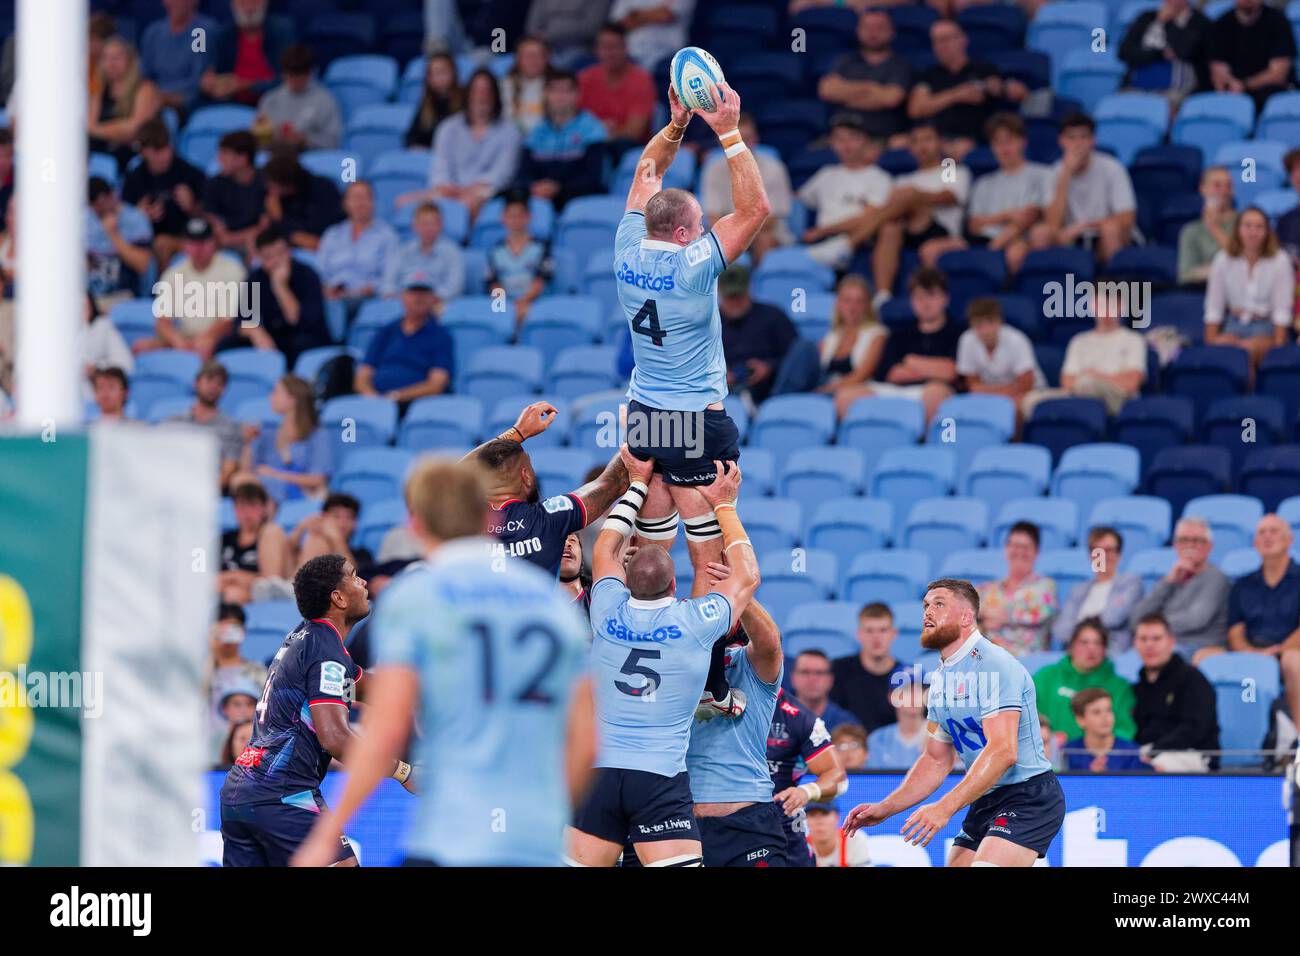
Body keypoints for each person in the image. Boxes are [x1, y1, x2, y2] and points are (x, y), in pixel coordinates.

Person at [291, 460, 592, 867]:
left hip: (452, 834)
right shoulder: (553, 606)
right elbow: (586, 739)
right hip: (534, 837)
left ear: (415, 524)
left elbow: (387, 729)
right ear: (485, 517)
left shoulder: (417, 597)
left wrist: (324, 836)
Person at [611, 78, 770, 718]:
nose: (710, 229)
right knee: (710, 559)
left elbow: (647, 169)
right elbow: (754, 209)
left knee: (648, 551)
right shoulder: (692, 266)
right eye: (701, 226)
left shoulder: (627, 248)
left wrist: (676, 125)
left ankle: (632, 666)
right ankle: (705, 686)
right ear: (684, 236)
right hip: (698, 421)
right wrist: (727, 130)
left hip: (647, 417)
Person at [565, 450, 757, 866]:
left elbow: (607, 545)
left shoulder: (605, 606)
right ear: (675, 586)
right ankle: (716, 696)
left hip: (598, 776)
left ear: (623, 578)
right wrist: (724, 503)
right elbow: (746, 576)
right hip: (658, 780)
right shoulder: (694, 620)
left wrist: (635, 484)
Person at [844, 578, 1066, 867]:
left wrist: (944, 807)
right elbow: (936, 760)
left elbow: (1003, 751)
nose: (927, 612)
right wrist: (887, 808)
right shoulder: (939, 680)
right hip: (986, 798)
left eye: (939, 604)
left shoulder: (994, 664)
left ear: (966, 617)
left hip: (1028, 796)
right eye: (925, 605)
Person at [222, 553, 412, 866]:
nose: (363, 583)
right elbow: (335, 737)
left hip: (240, 791)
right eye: (353, 576)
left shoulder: (306, 637)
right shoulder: (326, 650)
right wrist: (403, 772)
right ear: (337, 597)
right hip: (284, 792)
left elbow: (366, 687)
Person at [684, 562, 789, 868]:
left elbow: (770, 644)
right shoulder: (678, 665)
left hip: (748, 826)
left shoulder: (751, 664)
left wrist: (739, 591)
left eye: (725, 608)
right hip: (683, 828)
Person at [465, 400, 632, 578]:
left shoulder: (463, 519)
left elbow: (459, 472)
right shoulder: (549, 517)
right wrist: (635, 437)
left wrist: (518, 432)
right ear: (526, 476)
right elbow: (616, 480)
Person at [845, 123, 972, 305]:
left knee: (907, 195)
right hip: (907, 230)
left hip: (939, 230)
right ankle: (883, 296)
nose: (922, 146)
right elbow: (889, 211)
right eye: (916, 142)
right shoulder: (904, 178)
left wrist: (914, 196)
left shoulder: (950, 168)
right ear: (910, 148)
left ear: (940, 143)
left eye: (927, 140)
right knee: (889, 228)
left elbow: (949, 196)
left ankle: (848, 243)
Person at [833, 267, 961, 422]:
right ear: (911, 301)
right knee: (846, 396)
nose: (926, 303)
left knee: (935, 393)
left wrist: (910, 361)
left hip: (929, 391)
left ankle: (927, 444)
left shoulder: (959, 333)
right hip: (893, 390)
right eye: (919, 297)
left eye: (931, 296)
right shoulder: (899, 334)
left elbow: (950, 372)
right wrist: (931, 369)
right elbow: (891, 373)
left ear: (945, 298)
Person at [929, 113, 1049, 275]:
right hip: (982, 240)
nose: (1004, 148)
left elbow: (1027, 217)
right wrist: (1007, 215)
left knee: (1016, 251)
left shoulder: (1040, 174)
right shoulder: (983, 183)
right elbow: (974, 225)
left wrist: (993, 247)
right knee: (931, 249)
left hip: (1018, 239)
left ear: (1022, 142)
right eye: (998, 142)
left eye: (1009, 141)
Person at [1212, 515, 1300, 725]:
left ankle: (1298, 736)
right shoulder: (1243, 585)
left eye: (1273, 531)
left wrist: (1277, 653)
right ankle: (1242, 733)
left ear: (1289, 540)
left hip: (1289, 652)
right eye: (1261, 532)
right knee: (1206, 658)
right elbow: (1235, 630)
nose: (1267, 536)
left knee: (1293, 661)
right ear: (1254, 543)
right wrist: (1254, 654)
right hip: (1251, 653)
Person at [403, 70, 521, 220]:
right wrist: (446, 186)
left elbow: (503, 173)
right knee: (404, 203)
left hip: (488, 191)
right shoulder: (448, 127)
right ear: (468, 95)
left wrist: (472, 189)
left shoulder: (510, 132)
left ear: (495, 96)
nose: (482, 97)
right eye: (477, 91)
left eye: (487, 91)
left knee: (469, 203)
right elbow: (440, 165)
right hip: (450, 189)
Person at [907, 20, 1027, 161]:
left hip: (977, 139)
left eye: (946, 39)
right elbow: (916, 109)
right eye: (936, 41)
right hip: (939, 142)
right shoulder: (929, 75)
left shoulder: (983, 69)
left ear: (963, 40)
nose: (941, 46)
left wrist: (1002, 88)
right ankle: (948, 180)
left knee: (959, 159)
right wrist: (957, 95)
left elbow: (1021, 93)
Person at [1030, 114, 1137, 262]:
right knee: (1040, 232)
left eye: (1083, 137)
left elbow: (1127, 218)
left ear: (1093, 141)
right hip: (1069, 238)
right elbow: (1052, 223)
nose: (1077, 144)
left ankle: (1113, 283)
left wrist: (1084, 225)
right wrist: (1065, 174)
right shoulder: (1054, 172)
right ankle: (1044, 282)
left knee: (1110, 229)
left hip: (1103, 234)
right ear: (1061, 141)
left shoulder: (1113, 167)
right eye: (1071, 138)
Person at [140, 217, 248, 358]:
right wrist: (177, 340)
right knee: (142, 347)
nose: (198, 248)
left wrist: (204, 339)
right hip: (185, 337)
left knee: (204, 348)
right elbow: (162, 321)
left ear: (213, 243)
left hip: (219, 338)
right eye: (193, 242)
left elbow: (228, 320)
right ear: (185, 245)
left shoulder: (232, 270)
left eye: (203, 242)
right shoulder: (174, 272)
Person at [1024, 296, 1148, 417]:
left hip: (1118, 399)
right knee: (1032, 399)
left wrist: (1095, 376)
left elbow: (1131, 383)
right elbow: (1067, 382)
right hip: (1078, 394)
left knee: (1087, 383)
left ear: (1121, 307)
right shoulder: (1079, 341)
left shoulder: (1133, 340)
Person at [796, 113, 891, 271]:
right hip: (820, 244)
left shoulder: (880, 178)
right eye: (839, 139)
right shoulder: (826, 174)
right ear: (832, 143)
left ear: (865, 140)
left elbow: (871, 216)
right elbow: (798, 200)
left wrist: (822, 231)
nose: (846, 144)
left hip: (857, 247)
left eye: (853, 138)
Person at [1204, 206, 1294, 367]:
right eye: (1247, 226)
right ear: (1238, 230)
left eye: (1259, 227)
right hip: (1233, 324)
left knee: (1244, 352)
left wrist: (1280, 345)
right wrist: (1211, 340)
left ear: (1267, 232)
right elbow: (1214, 305)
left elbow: (1282, 309)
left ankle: (1250, 392)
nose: (1253, 232)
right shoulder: (1223, 259)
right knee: (1220, 351)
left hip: (1266, 326)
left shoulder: (1281, 260)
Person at [767, 686, 847, 867]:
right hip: (715, 822)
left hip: (781, 826)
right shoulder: (707, 701)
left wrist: (806, 792)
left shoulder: (801, 718)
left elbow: (839, 778)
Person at [1130, 516, 1231, 659]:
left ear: (1209, 547)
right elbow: (1136, 619)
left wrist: (1152, 628)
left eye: (1197, 540)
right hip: (1165, 643)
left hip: (1196, 648)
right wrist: (1168, 582)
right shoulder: (1170, 577)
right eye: (1184, 540)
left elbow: (1196, 619)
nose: (1190, 545)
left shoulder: (1216, 578)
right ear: (1175, 545)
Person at [699, 114, 794, 262]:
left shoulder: (774, 168)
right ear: (722, 141)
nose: (740, 146)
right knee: (716, 243)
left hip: (766, 231)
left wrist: (741, 233)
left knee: (764, 239)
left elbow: (772, 219)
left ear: (756, 139)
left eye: (746, 140)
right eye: (734, 140)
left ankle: (763, 282)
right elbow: (713, 218)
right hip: (729, 232)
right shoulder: (713, 170)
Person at [1132, 613, 1220, 772]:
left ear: (1171, 642)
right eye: (1143, 639)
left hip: (1192, 753)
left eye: (1157, 638)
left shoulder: (1193, 679)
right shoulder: (1138, 687)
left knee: (1154, 768)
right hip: (1148, 751)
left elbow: (1195, 729)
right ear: (1135, 644)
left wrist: (1154, 751)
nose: (1149, 645)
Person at [353, 272, 454, 405]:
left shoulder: (441, 336)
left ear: (433, 298)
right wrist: (373, 397)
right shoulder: (386, 331)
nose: (418, 298)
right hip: (375, 401)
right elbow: (363, 376)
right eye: (413, 292)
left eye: (424, 292)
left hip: (414, 405)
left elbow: (436, 384)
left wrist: (396, 397)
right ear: (402, 296)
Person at [235, 226, 330, 366]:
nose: (277, 261)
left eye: (280, 253)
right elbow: (243, 321)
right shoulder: (255, 278)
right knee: (229, 345)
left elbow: (297, 320)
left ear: (289, 252)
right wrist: (256, 332)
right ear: (260, 258)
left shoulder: (307, 275)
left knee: (299, 345)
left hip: (305, 337)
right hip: (272, 336)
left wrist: (280, 286)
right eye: (269, 257)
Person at [817, 8, 913, 145]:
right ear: (858, 30)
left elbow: (891, 98)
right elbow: (826, 90)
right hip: (839, 138)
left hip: (880, 138)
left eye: (879, 28)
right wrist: (870, 89)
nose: (872, 33)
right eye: (867, 27)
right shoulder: (845, 61)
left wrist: (846, 95)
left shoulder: (900, 65)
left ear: (892, 32)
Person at [120, 118, 206, 269]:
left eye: (167, 148)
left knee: (162, 244)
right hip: (146, 240)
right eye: (157, 151)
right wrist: (139, 216)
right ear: (144, 152)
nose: (165, 155)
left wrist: (191, 207)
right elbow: (124, 220)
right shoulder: (134, 178)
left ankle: (161, 291)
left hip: (187, 237)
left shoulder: (191, 174)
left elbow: (210, 218)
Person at [516, 70, 607, 211]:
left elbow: (592, 178)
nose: (560, 97)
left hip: (579, 202)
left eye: (566, 91)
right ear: (545, 94)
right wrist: (533, 186)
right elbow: (523, 174)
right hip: (540, 201)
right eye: (555, 91)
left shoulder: (592, 129)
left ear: (577, 95)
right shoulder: (536, 132)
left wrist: (558, 188)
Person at [1033, 617, 1138, 739]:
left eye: (1097, 643)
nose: (1091, 649)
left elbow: (1125, 731)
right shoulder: (1046, 677)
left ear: (1105, 650)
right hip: (1048, 754)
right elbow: (1025, 718)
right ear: (1071, 647)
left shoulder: (1119, 687)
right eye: (1084, 642)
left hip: (1100, 755)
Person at [235, 374, 332, 504]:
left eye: (276, 392)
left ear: (293, 399)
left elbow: (318, 480)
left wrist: (275, 474)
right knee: (240, 480)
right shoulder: (267, 432)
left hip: (302, 495)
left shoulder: (317, 434)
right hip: (268, 493)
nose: (271, 397)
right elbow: (247, 472)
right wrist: (248, 442)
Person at [716, 263, 799, 405]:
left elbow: (796, 358)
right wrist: (719, 375)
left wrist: (768, 367)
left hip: (772, 388)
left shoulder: (773, 316)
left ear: (749, 289)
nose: (735, 302)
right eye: (730, 297)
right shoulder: (707, 324)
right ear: (719, 292)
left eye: (739, 296)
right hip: (724, 391)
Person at [317, 181, 399, 325]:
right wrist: (326, 289)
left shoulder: (387, 235)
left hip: (366, 297)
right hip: (333, 296)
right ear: (345, 203)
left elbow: (390, 277)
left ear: (373, 202)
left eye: (365, 197)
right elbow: (320, 271)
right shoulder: (332, 234)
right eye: (355, 198)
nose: (360, 203)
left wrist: (371, 288)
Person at [1052, 526, 1144, 651]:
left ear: (1119, 554)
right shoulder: (1078, 589)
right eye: (1098, 551)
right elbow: (1060, 631)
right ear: (1091, 556)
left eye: (1109, 550)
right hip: (1074, 654)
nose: (1103, 556)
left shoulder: (1130, 583)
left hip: (1110, 652)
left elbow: (1113, 618)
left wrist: (1080, 631)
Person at [977, 521, 1057, 657]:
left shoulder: (1045, 586)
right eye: (1014, 546)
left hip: (1026, 663)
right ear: (1006, 548)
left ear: (1036, 552)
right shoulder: (990, 588)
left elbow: (1038, 613)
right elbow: (966, 605)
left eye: (1025, 547)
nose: (1019, 551)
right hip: (986, 660)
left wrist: (1003, 615)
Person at [830, 602, 911, 734]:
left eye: (883, 630)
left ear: (894, 634)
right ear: (858, 634)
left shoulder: (908, 677)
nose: (876, 638)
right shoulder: (838, 671)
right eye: (869, 631)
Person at [200, 0, 295, 107]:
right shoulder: (224, 34)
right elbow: (215, 74)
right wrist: (210, 83)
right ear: (233, 4)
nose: (249, 9)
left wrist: (246, 86)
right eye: (243, 3)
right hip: (232, 105)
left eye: (254, 2)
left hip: (274, 104)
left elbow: (290, 78)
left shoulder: (282, 31)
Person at [88, 37, 163, 171]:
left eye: (116, 58)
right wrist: (113, 131)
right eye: (106, 58)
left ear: (130, 60)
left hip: (132, 151)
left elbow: (136, 128)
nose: (111, 63)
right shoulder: (99, 90)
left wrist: (99, 131)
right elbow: (90, 125)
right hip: (101, 147)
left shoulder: (145, 89)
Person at [1207, 0, 1296, 113]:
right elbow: (1218, 69)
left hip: (1268, 91)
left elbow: (1278, 74)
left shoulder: (1278, 21)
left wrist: (1245, 84)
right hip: (1233, 91)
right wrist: (1231, 83)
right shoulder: (1221, 24)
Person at [166, 359, 244, 488]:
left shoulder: (231, 426)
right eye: (209, 380)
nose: (214, 386)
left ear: (224, 390)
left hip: (211, 489)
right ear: (196, 383)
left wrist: (204, 493)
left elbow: (228, 468)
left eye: (220, 383)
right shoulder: (175, 422)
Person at [956, 297, 1044, 410]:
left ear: (1000, 321)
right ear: (971, 324)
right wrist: (996, 394)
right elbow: (972, 385)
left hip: (1030, 392)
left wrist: (990, 394)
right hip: (991, 395)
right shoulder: (966, 340)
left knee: (1014, 406)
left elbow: (1026, 385)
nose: (985, 330)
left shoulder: (1017, 340)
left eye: (990, 322)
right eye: (978, 324)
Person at [813, 274, 889, 404]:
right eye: (847, 301)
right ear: (838, 304)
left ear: (867, 305)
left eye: (859, 302)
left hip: (850, 391)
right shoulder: (831, 336)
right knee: (804, 349)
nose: (852, 307)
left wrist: (825, 390)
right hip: (826, 387)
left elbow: (861, 376)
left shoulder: (877, 334)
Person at [578, 23, 656, 148]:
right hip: (590, 145)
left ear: (626, 48)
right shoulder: (585, 78)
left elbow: (634, 132)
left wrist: (600, 132)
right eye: (604, 47)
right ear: (596, 50)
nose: (609, 53)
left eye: (614, 47)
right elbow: (571, 123)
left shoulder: (641, 80)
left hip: (629, 149)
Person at [254, 44, 343, 152]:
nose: (295, 82)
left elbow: (334, 141)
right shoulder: (270, 100)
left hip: (309, 157)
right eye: (291, 76)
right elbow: (259, 140)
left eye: (299, 77)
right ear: (283, 74)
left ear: (310, 74)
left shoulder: (325, 101)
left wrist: (306, 140)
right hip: (275, 158)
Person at [1118, 0, 1210, 103]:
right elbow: (1124, 52)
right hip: (1138, 83)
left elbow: (1181, 51)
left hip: (1177, 87)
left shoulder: (1200, 22)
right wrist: (1159, 54)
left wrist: (1167, 22)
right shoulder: (1146, 18)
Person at [217, 480, 292, 605]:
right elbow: (204, 575)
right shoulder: (223, 539)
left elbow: (271, 583)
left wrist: (234, 576)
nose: (247, 512)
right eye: (242, 506)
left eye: (252, 505)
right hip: (224, 594)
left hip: (259, 598)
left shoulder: (271, 535)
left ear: (264, 508)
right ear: (234, 509)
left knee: (234, 593)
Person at [140, 0, 218, 115]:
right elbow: (146, 75)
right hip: (154, 99)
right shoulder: (154, 33)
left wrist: (167, 96)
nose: (177, 2)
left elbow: (199, 78)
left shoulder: (200, 31)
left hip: (188, 101)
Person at [86, 176, 153, 309]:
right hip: (91, 296)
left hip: (125, 295)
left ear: (112, 195)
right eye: (94, 206)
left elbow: (142, 265)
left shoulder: (136, 220)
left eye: (102, 202)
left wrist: (113, 234)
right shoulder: (85, 220)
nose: (99, 209)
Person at [381, 202, 464, 306]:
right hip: (403, 305)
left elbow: (454, 287)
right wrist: (401, 298)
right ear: (414, 226)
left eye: (432, 224)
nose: (428, 228)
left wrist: (426, 300)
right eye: (424, 224)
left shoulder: (452, 251)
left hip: (437, 305)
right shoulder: (402, 251)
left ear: (441, 226)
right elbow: (388, 284)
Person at [261, 150, 345, 251]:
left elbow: (315, 230)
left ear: (287, 186)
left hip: (326, 243)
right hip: (288, 243)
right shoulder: (276, 197)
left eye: (273, 186)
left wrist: (281, 218)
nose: (270, 190)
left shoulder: (323, 189)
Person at [203, 131, 267, 254]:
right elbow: (214, 223)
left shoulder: (266, 182)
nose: (218, 159)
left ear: (242, 159)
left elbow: (265, 225)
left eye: (224, 154)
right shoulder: (214, 184)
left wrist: (234, 238)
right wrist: (226, 238)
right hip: (222, 245)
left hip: (258, 242)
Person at [1177, 166, 1235, 285]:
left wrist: (1214, 228)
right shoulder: (1191, 231)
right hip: (1200, 292)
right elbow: (1185, 275)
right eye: (1217, 185)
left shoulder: (1246, 223)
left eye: (1228, 186)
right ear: (1203, 189)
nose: (1224, 191)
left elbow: (1246, 262)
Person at [290, 492, 374, 576]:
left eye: (349, 517)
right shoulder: (307, 545)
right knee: (276, 531)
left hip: (326, 587)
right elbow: (287, 555)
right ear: (324, 518)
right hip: (291, 580)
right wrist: (301, 528)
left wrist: (336, 539)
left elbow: (354, 578)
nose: (343, 522)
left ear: (355, 523)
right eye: (336, 516)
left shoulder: (362, 554)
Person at [1062, 688, 1145, 772]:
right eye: (1096, 712)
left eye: (1109, 710)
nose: (1105, 717)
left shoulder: (1131, 751)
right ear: (1080, 720)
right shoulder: (1068, 752)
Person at [609, 0, 694, 71]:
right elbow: (619, 23)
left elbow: (666, 15)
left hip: (667, 54)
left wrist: (634, 15)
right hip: (630, 52)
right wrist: (654, 13)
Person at [525, 0, 611, 69]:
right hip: (545, 48)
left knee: (558, 66)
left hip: (579, 48)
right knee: (516, 62)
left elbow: (591, 28)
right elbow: (532, 27)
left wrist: (549, 35)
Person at [404, 53, 464, 149]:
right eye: (435, 73)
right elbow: (411, 138)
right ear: (429, 78)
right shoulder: (425, 105)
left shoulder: (466, 100)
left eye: (443, 72)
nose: (440, 77)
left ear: (454, 73)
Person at [866, 679, 929, 770]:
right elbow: (873, 781)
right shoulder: (878, 739)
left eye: (919, 691)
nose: (914, 697)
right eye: (906, 691)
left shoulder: (943, 734)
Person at [789, 649, 858, 731]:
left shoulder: (847, 724)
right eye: (805, 672)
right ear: (793, 678)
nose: (812, 679)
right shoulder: (774, 718)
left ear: (830, 680)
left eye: (819, 673)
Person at [501, 35, 553, 135]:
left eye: (538, 55)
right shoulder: (504, 86)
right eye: (528, 56)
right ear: (517, 59)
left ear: (547, 58)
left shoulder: (557, 86)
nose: (533, 61)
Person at [80, 291, 134, 388]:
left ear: (91, 308)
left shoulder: (103, 327)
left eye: (83, 307)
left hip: (92, 394)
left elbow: (125, 365)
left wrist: (97, 369)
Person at [806, 803, 872, 867]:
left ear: (837, 818)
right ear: (806, 820)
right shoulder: (801, 845)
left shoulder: (854, 838)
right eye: (812, 815)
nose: (819, 821)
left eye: (825, 813)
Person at [559, 532, 592, 619]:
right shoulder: (530, 600)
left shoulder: (599, 597)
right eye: (559, 541)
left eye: (572, 540)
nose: (567, 544)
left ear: (582, 561)